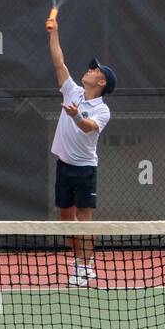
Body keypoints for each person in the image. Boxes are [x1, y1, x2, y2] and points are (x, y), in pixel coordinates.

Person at [47, 18, 115, 288]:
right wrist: (54, 32)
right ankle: (79, 260)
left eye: (94, 69)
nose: (89, 69)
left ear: (101, 80)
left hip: (85, 170)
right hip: (64, 166)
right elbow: (58, 63)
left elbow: (88, 127)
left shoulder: (103, 110)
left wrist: (76, 117)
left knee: (84, 221)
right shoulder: (72, 90)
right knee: (65, 220)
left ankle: (85, 267)